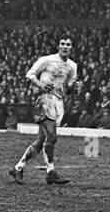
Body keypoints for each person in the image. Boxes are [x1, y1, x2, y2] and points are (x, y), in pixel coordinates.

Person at [11, 38, 79, 185]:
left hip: (59, 102)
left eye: (68, 44)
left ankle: (18, 168)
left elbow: (69, 88)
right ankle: (51, 172)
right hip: (45, 99)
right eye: (62, 44)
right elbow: (30, 74)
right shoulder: (48, 60)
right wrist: (41, 85)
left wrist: (74, 89)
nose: (65, 47)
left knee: (42, 140)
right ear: (58, 46)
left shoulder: (73, 66)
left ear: (72, 47)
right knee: (52, 135)